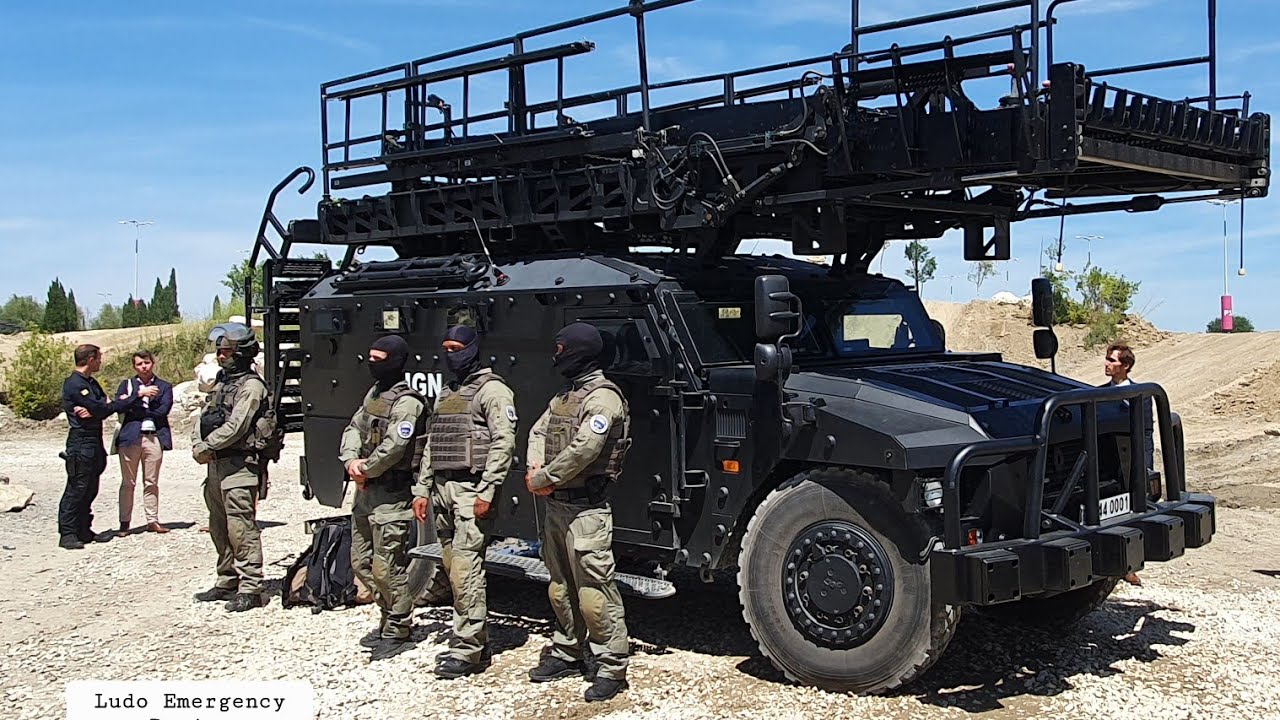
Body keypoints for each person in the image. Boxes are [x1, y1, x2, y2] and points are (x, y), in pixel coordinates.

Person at [524, 322, 633, 703]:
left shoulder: (603, 399)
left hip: (586, 511)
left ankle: (611, 666)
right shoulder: (565, 396)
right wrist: (536, 470)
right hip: (556, 507)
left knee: (594, 592)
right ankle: (567, 651)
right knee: (558, 586)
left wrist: (545, 477)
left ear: (579, 352)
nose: (556, 355)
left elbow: (586, 448)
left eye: (561, 348)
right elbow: (538, 432)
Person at [412, 325, 518, 680]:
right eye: (445, 347)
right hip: (442, 490)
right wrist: (422, 489)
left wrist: (488, 491)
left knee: (466, 569)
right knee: (452, 566)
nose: (450, 353)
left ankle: (468, 649)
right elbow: (432, 443)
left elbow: (504, 443)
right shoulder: (447, 393)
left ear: (473, 348)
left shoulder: (493, 391)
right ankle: (477, 639)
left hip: (471, 491)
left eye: (457, 347)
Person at [339, 335, 427, 662]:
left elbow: (395, 447)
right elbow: (354, 428)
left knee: (387, 566)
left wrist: (367, 469)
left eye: (378, 358)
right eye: (370, 357)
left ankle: (399, 625)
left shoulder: (408, 403)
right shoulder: (374, 395)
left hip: (391, 495)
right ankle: (389, 612)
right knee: (360, 561)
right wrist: (351, 461)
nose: (371, 364)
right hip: (365, 493)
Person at [191, 323, 270, 612]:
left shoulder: (251, 386)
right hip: (216, 465)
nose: (221, 356)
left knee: (241, 527)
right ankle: (227, 579)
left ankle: (250, 587)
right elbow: (205, 416)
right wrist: (198, 444)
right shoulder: (224, 382)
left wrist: (206, 446)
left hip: (240, 466)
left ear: (241, 353)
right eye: (219, 351)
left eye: (226, 351)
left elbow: (237, 426)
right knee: (218, 524)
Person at [58, 344, 156, 550]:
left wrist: (99, 408)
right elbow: (102, 408)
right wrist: (130, 398)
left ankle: (84, 530)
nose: (101, 362)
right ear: (90, 359)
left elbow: (104, 405)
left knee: (91, 486)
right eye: (99, 358)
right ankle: (67, 533)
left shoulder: (90, 383)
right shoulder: (74, 383)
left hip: (94, 439)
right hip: (80, 441)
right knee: (77, 487)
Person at [1103, 342, 1153, 587]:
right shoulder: (1097, 394)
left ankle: (1131, 567)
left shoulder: (1140, 396)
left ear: (1126, 366)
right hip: (1109, 466)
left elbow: (1145, 433)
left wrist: (1145, 466)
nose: (1107, 364)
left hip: (1132, 462)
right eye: (1107, 359)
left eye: (1113, 361)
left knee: (1133, 513)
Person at [113, 350, 174, 535]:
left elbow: (163, 410)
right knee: (128, 482)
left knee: (151, 481)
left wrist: (134, 408)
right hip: (130, 437)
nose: (144, 367)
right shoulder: (127, 386)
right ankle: (124, 523)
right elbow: (118, 406)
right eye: (139, 364)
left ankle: (152, 520)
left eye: (146, 362)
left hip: (153, 436)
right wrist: (139, 395)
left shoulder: (164, 386)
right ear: (134, 367)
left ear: (152, 363)